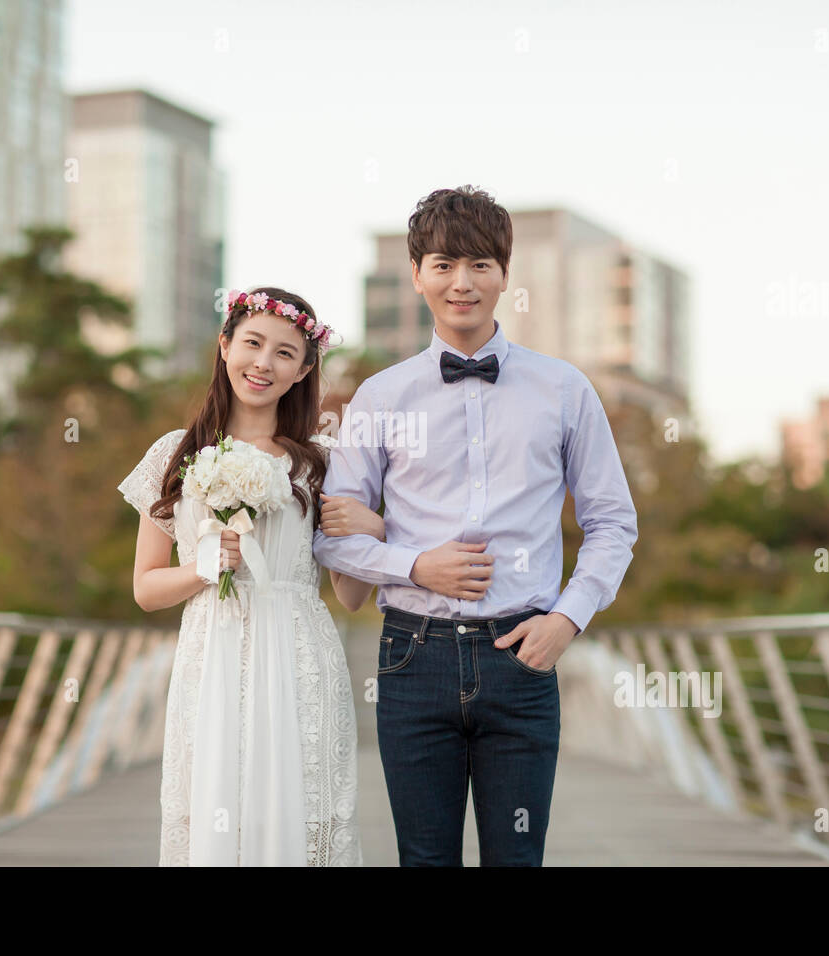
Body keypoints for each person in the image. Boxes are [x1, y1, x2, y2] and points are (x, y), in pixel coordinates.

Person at [311, 185, 639, 866]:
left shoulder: (565, 389)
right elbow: (333, 534)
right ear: (417, 276)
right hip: (412, 657)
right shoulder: (381, 395)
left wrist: (568, 618)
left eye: (480, 265)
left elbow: (612, 522)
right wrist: (414, 564)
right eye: (442, 264)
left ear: (505, 275)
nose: (462, 282)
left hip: (521, 655)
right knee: (424, 860)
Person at [117, 286, 385, 866]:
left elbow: (352, 596)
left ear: (304, 368)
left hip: (299, 654)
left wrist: (374, 533)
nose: (263, 363)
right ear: (225, 344)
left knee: (302, 803)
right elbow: (144, 588)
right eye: (253, 343)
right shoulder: (174, 453)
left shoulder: (323, 459)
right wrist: (202, 569)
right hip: (210, 654)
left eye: (285, 353)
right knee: (214, 805)